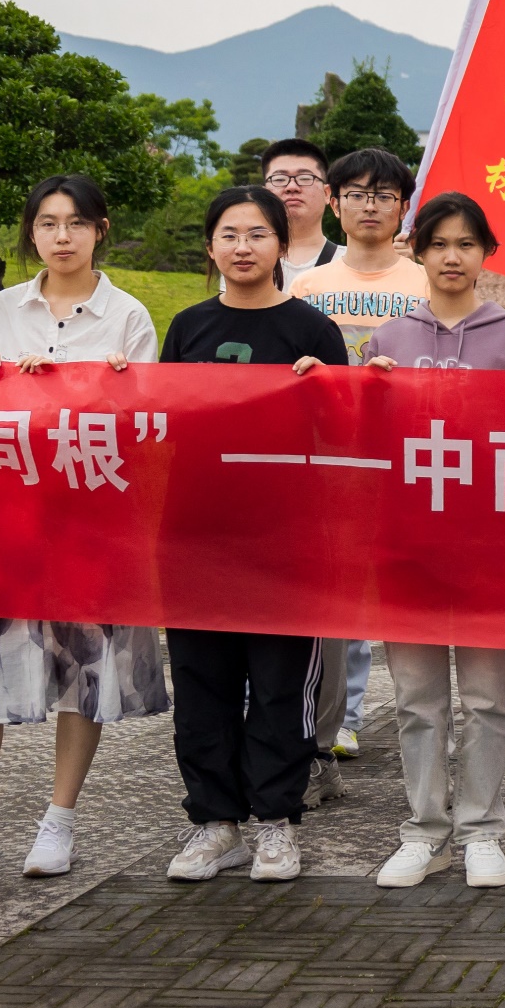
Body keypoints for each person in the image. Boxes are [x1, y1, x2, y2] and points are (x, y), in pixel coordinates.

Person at [0, 176, 166, 881]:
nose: (62, 236)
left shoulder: (127, 316)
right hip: (4, 517)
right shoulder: (2, 309)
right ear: (30, 233)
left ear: (101, 230)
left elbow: (142, 425)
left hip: (88, 521)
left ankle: (59, 821)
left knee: (81, 664)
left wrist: (100, 386)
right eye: (48, 223)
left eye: (77, 223)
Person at [160, 186, 348, 884]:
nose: (243, 247)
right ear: (210, 246)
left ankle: (275, 824)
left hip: (284, 544)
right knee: (201, 685)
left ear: (281, 246)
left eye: (258, 235)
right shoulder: (186, 327)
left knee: (277, 687)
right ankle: (216, 824)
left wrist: (328, 388)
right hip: (197, 539)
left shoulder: (312, 330)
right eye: (229, 234)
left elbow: (345, 438)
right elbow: (163, 421)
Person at [361, 192, 505, 891]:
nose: (453, 257)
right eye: (438, 244)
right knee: (416, 698)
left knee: (490, 699)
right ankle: (423, 829)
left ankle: (483, 830)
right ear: (418, 252)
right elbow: (366, 446)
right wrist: (359, 392)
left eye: (466, 244)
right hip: (407, 545)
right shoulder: (390, 339)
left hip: (489, 546)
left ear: (484, 254)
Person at [288, 146, 430, 781]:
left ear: (404, 208)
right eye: (357, 193)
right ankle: (329, 722)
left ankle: (401, 720)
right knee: (329, 596)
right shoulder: (307, 286)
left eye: (384, 195)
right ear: (335, 202)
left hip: (405, 455)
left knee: (399, 595)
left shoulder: (426, 281)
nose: (370, 205)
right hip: (325, 456)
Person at [260, 139, 342, 285]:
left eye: (305, 178)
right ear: (264, 193)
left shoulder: (352, 261)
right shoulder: (247, 260)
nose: (292, 187)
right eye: (279, 179)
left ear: (326, 193)